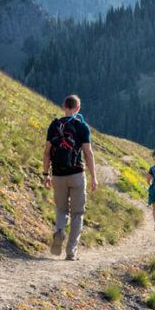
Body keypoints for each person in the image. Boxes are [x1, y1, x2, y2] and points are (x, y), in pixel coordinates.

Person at [43, 95, 97, 260]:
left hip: (58, 175)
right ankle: (71, 252)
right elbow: (88, 153)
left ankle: (59, 231)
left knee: (61, 209)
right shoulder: (82, 127)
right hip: (77, 175)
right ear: (78, 108)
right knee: (77, 213)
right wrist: (94, 177)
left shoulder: (54, 125)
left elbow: (46, 153)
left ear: (63, 106)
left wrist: (46, 174)